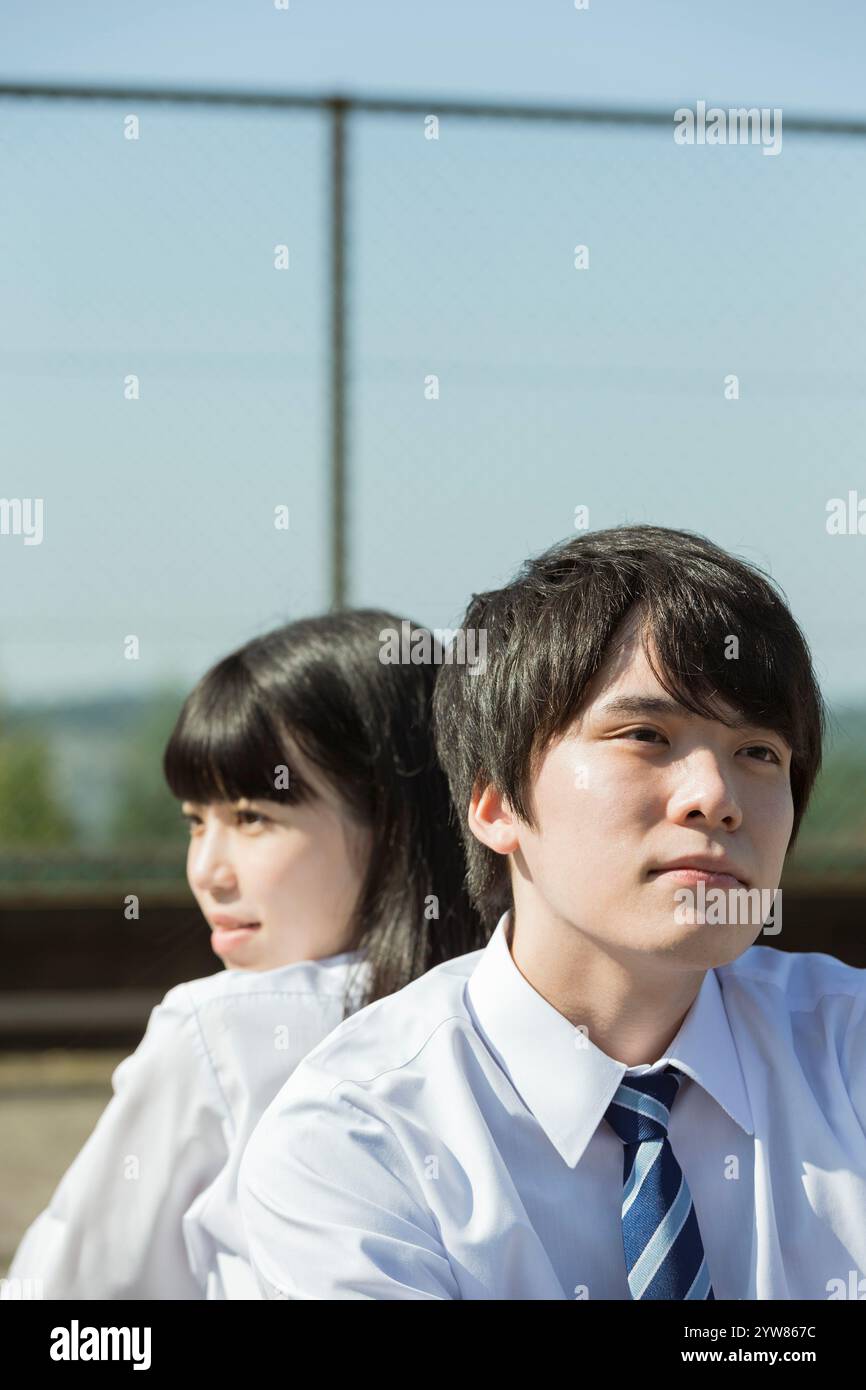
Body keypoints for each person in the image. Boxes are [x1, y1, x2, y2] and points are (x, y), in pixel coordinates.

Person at [238, 523, 866, 1300]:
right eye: (646, 734)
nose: (717, 797)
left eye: (760, 753)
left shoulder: (847, 1052)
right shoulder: (359, 1135)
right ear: (496, 802)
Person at [8, 609, 485, 1299]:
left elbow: (66, 1298)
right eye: (196, 822)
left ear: (394, 822)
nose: (208, 870)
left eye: (253, 819)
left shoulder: (219, 1031)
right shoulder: (532, 1010)